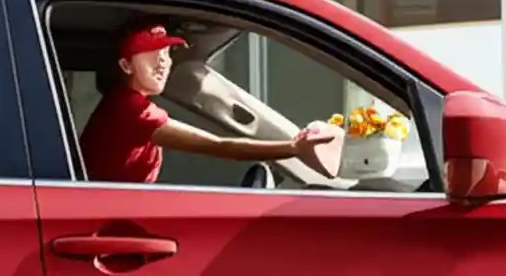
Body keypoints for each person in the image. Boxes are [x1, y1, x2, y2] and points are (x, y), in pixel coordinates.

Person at [78, 22, 335, 184]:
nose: (163, 62)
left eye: (167, 53)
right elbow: (219, 147)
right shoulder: (132, 110)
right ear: (125, 65)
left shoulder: (122, 104)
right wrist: (294, 148)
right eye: (151, 55)